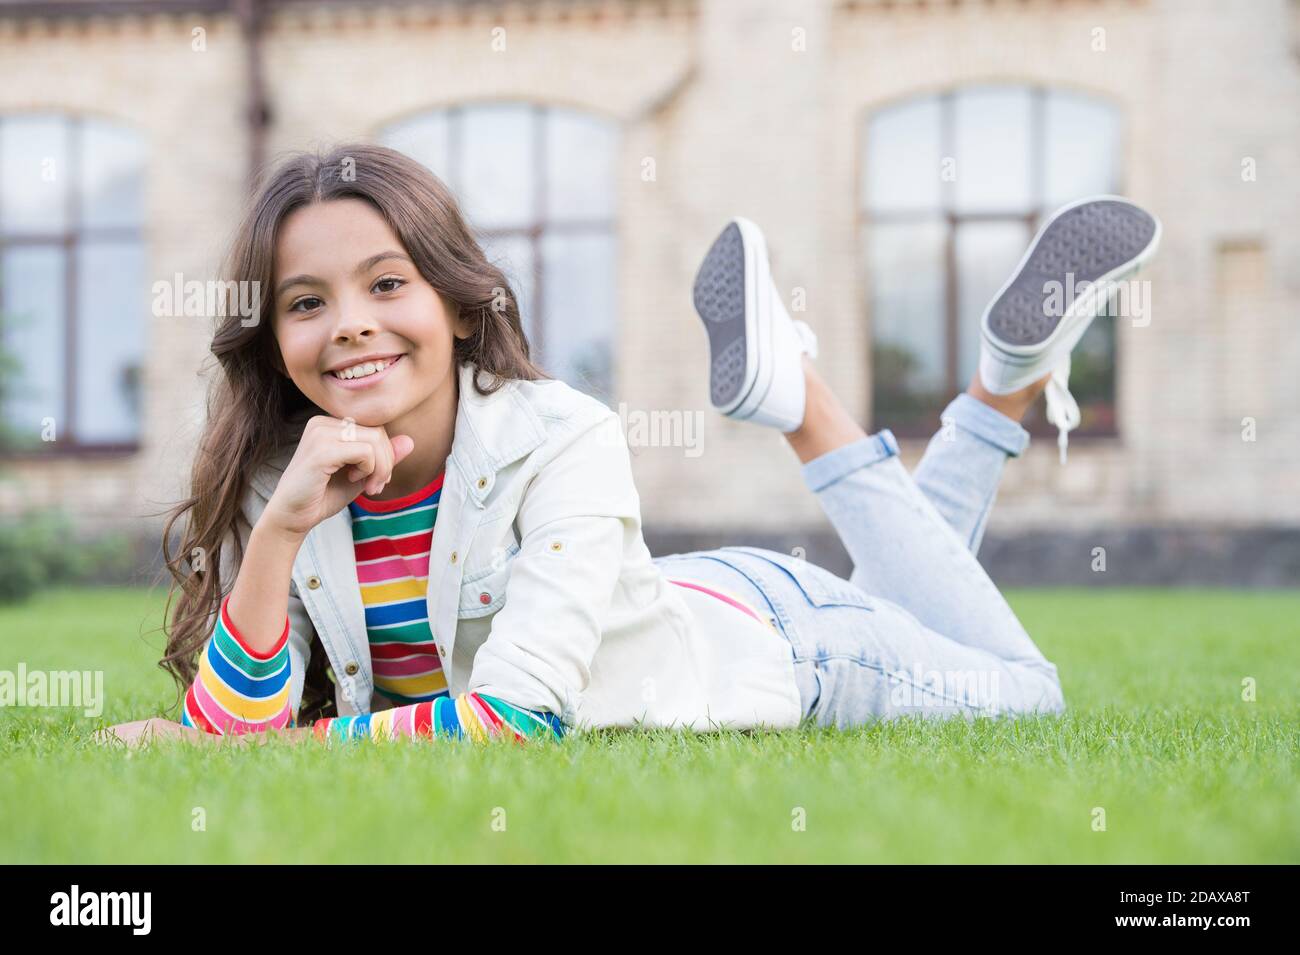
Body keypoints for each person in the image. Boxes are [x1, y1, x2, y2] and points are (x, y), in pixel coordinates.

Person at [101, 144, 1158, 747]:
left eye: (387, 284)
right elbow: (232, 738)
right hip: (682, 596)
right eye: (306, 302)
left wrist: (264, 750)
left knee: (1029, 693)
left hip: (793, 643)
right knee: (924, 594)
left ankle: (804, 402)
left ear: (459, 306)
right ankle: (1008, 380)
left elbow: (518, 716)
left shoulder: (562, 435)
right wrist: (280, 531)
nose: (349, 325)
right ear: (272, 336)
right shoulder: (283, 477)